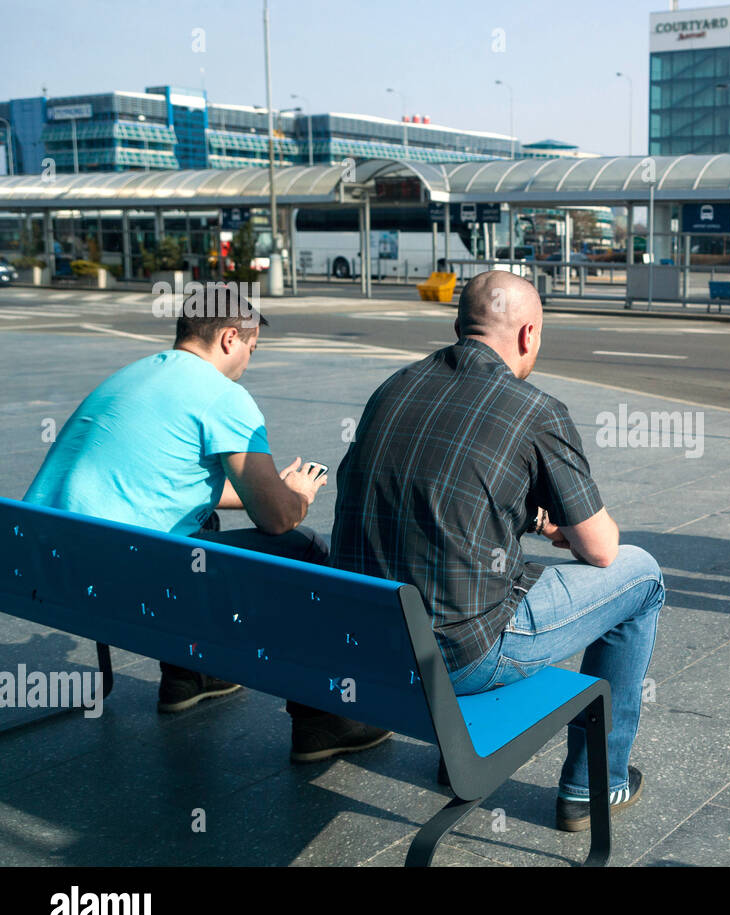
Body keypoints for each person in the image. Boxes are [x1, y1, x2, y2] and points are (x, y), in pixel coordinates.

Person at [330, 270, 664, 832]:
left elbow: (423, 500)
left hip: (365, 641)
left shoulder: (393, 386)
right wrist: (569, 529)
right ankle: (593, 786)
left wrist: (528, 516)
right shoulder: (536, 409)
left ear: (460, 324)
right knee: (642, 575)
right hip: (459, 658)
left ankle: (461, 751)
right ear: (528, 334)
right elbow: (602, 549)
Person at [22, 284, 391, 759]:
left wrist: (262, 489)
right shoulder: (222, 396)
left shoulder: (128, 377)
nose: (247, 363)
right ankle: (324, 721)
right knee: (307, 551)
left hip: (40, 569)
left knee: (204, 525)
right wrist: (293, 495)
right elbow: (277, 520)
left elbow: (167, 482)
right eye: (251, 350)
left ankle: (189, 675)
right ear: (230, 338)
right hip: (119, 585)